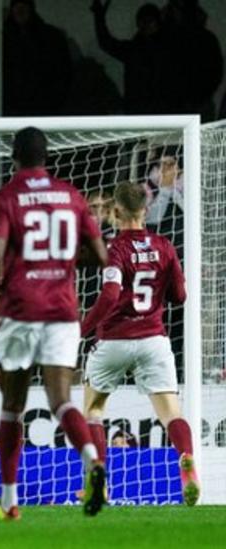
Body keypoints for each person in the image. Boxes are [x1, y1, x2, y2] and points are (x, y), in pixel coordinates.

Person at [0, 126, 109, 521]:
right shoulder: (71, 196)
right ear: (46, 156)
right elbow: (102, 256)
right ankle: (90, 457)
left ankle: (8, 499)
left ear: (14, 156)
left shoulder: (6, 198)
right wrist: (64, 263)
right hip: (62, 311)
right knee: (62, 400)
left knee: (12, 406)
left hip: (20, 310)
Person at [79, 181, 198, 506]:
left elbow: (110, 295)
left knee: (93, 411)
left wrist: (83, 328)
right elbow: (180, 296)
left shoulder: (114, 248)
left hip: (115, 340)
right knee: (171, 413)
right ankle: (186, 461)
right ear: (145, 210)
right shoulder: (164, 245)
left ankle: (98, 484)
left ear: (116, 212)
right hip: (153, 341)